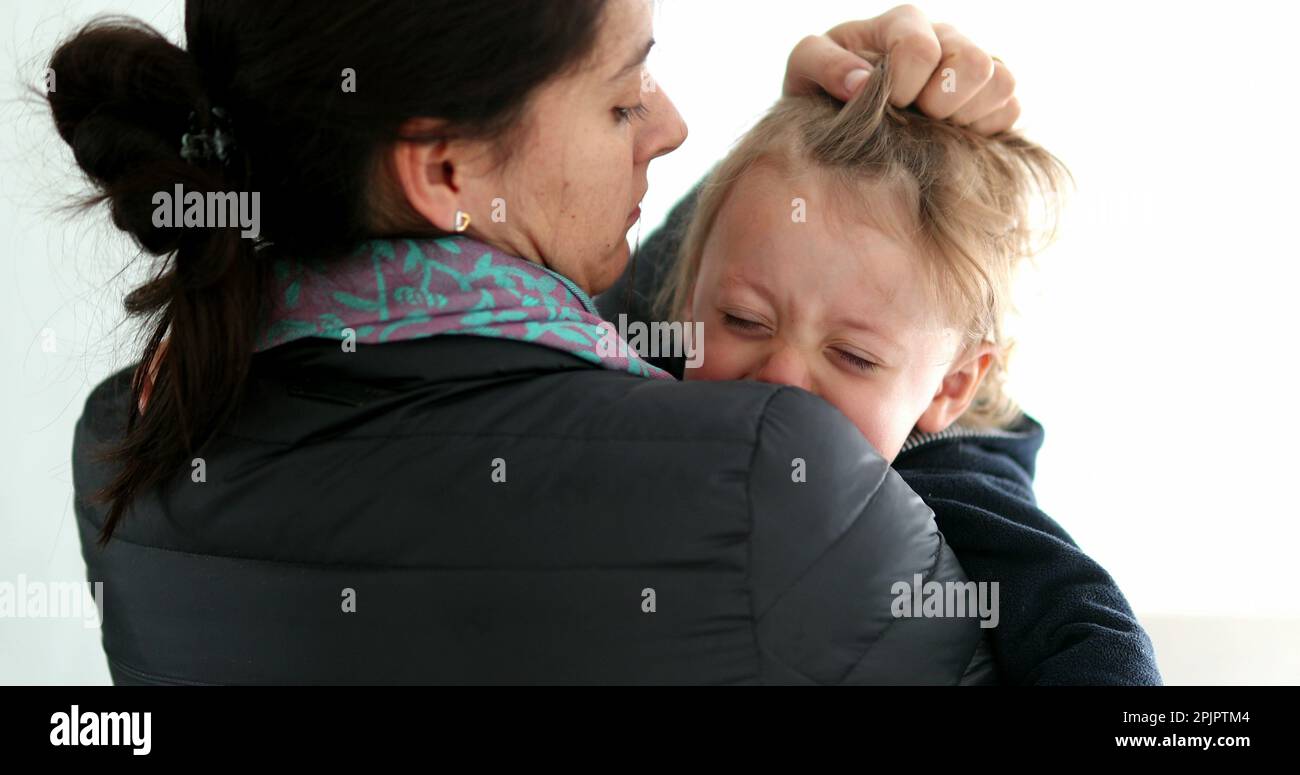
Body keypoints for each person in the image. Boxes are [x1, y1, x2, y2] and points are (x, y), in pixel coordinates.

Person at [58, 1, 1024, 683]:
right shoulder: (771, 480)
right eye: (620, 97)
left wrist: (805, 178)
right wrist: (941, 403)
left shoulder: (131, 435)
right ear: (447, 169)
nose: (672, 124)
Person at [601, 52, 1161, 684]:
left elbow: (1095, 634)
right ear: (683, 300)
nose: (781, 376)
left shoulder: (952, 494)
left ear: (949, 386)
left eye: (852, 357)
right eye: (744, 320)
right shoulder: (651, 371)